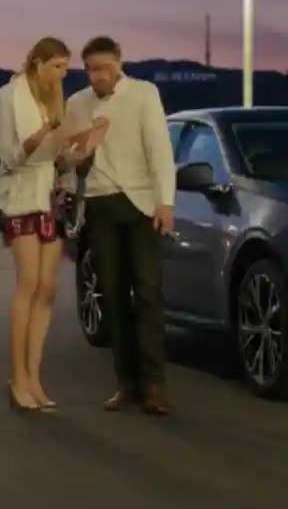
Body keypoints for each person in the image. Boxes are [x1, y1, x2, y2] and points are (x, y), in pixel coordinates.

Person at [0, 36, 107, 412]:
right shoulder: (8, 96)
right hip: (21, 197)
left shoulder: (55, 99)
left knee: (47, 288)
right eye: (56, 67)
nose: (61, 75)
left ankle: (34, 377)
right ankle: (18, 378)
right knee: (28, 285)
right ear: (37, 63)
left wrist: (82, 146)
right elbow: (10, 157)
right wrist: (44, 135)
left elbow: (60, 159)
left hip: (49, 197)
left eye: (65, 68)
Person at [65, 35, 176, 415]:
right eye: (91, 70)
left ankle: (154, 385)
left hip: (140, 204)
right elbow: (70, 161)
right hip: (99, 205)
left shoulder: (144, 94)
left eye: (104, 68)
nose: (98, 76)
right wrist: (83, 151)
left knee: (147, 292)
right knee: (111, 295)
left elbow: (159, 148)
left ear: (118, 64)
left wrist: (165, 201)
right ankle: (126, 383)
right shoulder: (77, 104)